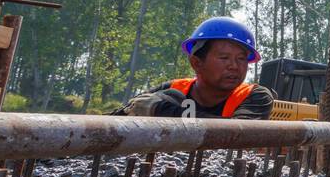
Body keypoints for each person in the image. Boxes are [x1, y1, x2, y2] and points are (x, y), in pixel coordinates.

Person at [114, 16, 273, 119]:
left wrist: (162, 111)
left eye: (241, 59)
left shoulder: (255, 96)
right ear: (196, 63)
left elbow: (237, 132)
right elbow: (128, 111)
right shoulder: (174, 88)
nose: (234, 66)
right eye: (224, 58)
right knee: (171, 96)